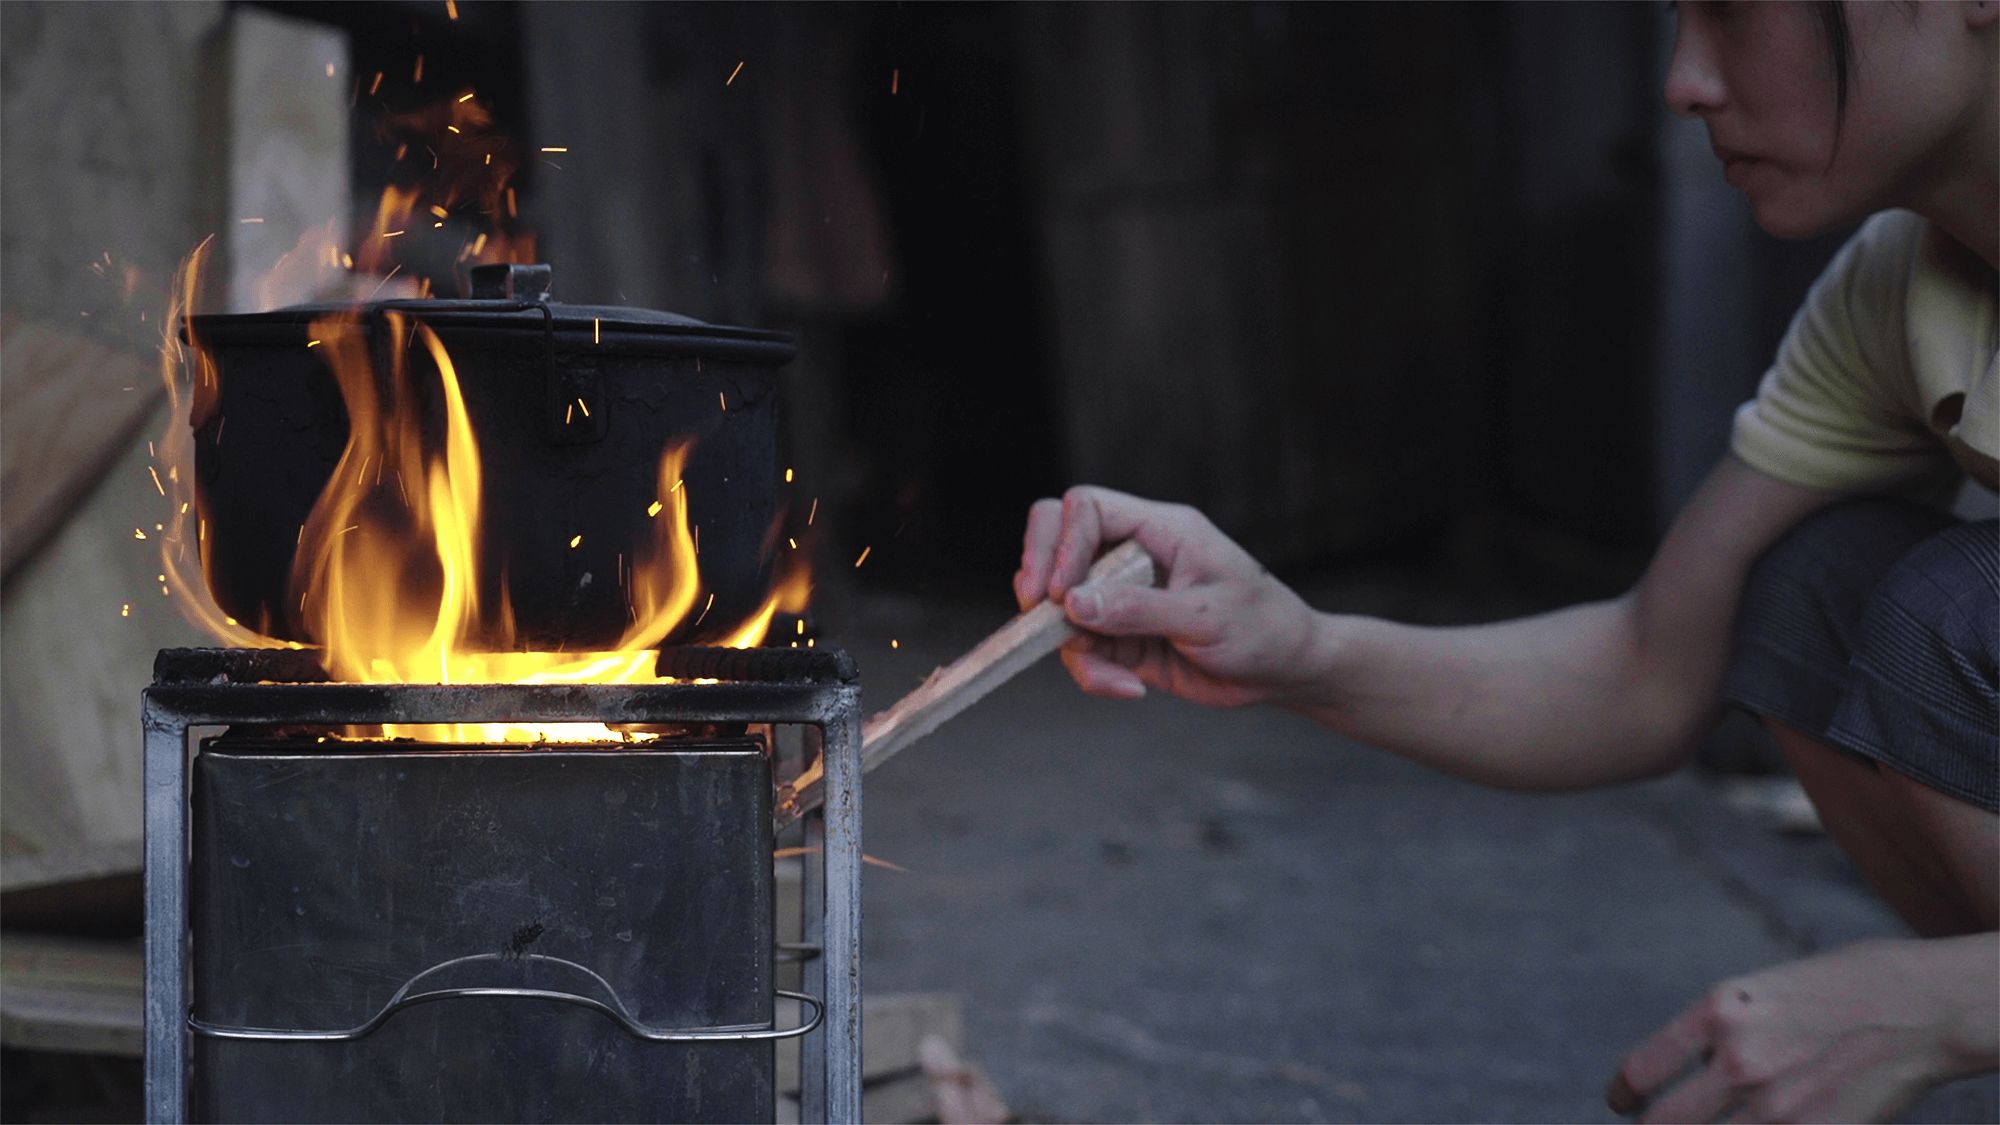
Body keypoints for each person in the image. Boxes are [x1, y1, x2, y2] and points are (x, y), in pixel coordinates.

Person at [1012, 2, 1997, 1121]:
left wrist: (1938, 1004)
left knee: (1950, 617)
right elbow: (1643, 670)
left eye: (1732, 9)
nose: (1682, 80)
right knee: (1804, 589)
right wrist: (1296, 649)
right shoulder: (1901, 294)